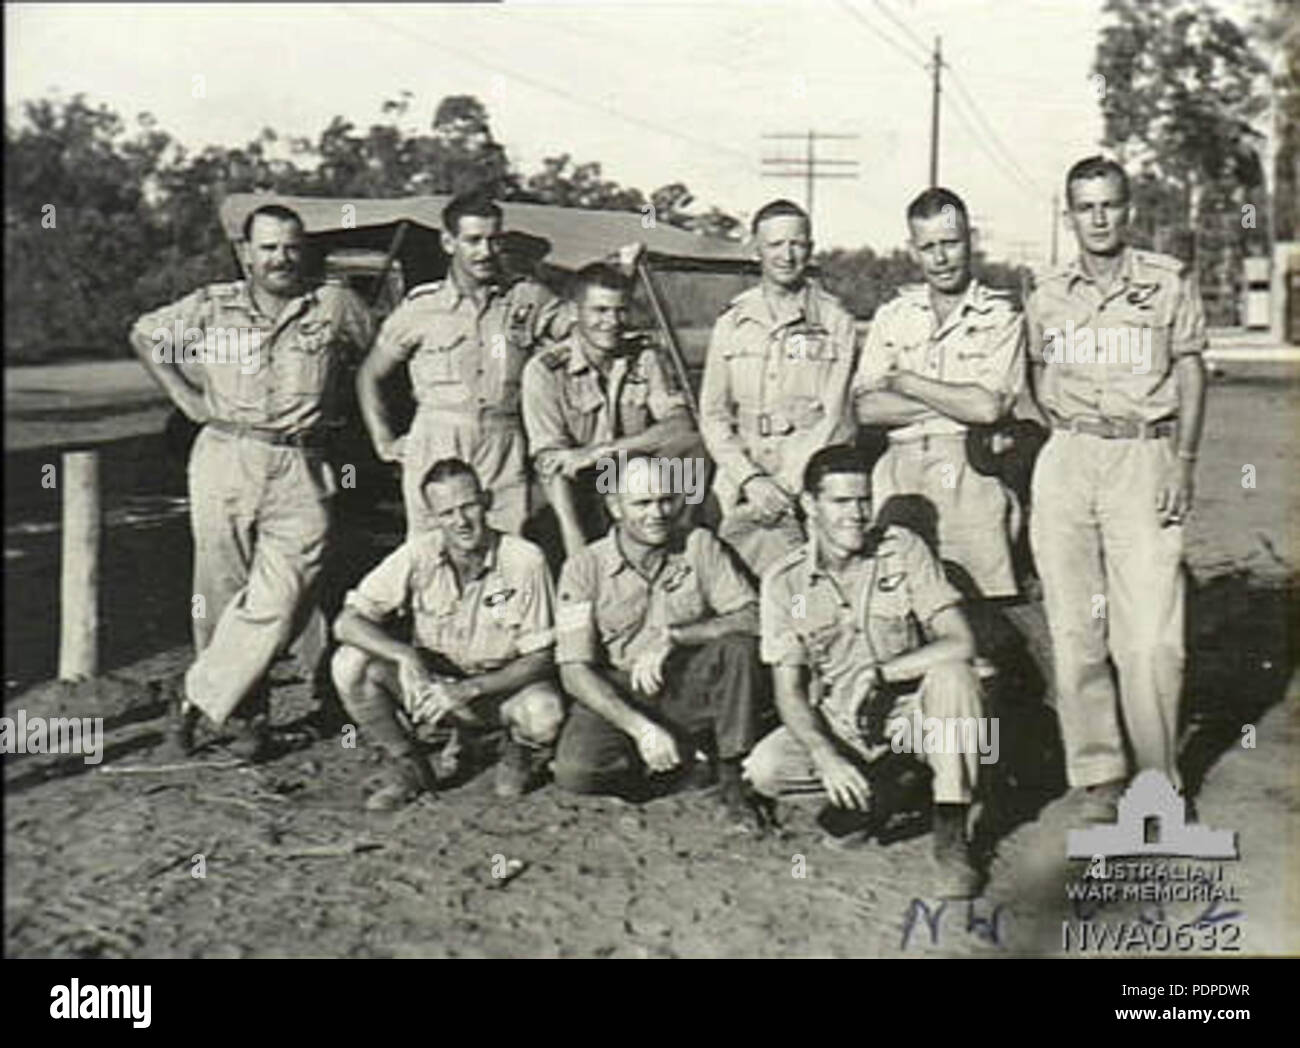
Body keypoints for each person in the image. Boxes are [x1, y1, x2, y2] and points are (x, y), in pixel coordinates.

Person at [129, 203, 375, 760]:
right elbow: (145, 335)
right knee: (221, 594)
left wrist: (348, 413)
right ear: (246, 253)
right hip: (227, 454)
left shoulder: (334, 306)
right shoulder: (213, 306)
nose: (280, 258)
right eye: (267, 248)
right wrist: (183, 396)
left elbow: (376, 355)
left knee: (283, 599)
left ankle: (192, 694)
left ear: (304, 250)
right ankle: (244, 719)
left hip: (303, 464)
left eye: (290, 246)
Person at [1025, 156, 1207, 819]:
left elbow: (1190, 371)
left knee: (1153, 637)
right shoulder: (1045, 292)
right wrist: (1069, 436)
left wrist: (1182, 459)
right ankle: (1099, 775)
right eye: (1085, 206)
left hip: (1144, 456)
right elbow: (1037, 378)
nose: (1098, 217)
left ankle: (1159, 777)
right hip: (1070, 455)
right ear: (1068, 214)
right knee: (1077, 628)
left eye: (1110, 204)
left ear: (1128, 210)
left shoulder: (1166, 282)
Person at [744, 445, 987, 898]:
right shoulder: (785, 581)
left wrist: (883, 673)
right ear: (810, 506)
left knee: (955, 675)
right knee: (766, 769)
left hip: (913, 714)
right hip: (843, 723)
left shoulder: (902, 549)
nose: (856, 514)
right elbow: (789, 692)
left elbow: (961, 641)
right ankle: (894, 785)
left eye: (863, 500)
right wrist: (825, 756)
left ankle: (952, 834)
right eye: (840, 502)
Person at [330, 459, 564, 809]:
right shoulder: (417, 553)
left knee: (545, 713)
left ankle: (515, 750)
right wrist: (404, 655)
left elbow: (542, 658)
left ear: (486, 501)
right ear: (433, 517)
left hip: (499, 690)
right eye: (447, 512)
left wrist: (469, 689)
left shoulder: (525, 559)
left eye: (468, 506)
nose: (461, 521)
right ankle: (408, 765)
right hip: (435, 686)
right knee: (349, 663)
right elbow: (346, 623)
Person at [551, 454, 768, 829]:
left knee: (738, 648)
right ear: (615, 506)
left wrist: (677, 636)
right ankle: (681, 764)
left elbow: (754, 617)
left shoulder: (699, 545)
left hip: (686, 683)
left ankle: (733, 778)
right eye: (642, 503)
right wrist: (641, 729)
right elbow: (573, 671)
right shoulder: (584, 567)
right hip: (621, 689)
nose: (658, 513)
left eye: (666, 500)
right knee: (576, 772)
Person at [356, 190, 569, 536]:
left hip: (503, 442)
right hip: (437, 440)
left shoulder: (528, 299)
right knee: (432, 551)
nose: (485, 252)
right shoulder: (421, 307)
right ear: (448, 242)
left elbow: (585, 334)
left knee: (505, 548)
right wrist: (384, 441)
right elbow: (370, 375)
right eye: (472, 240)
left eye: (493, 240)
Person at [853, 187, 1026, 599]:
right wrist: (955, 402)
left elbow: (986, 408)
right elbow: (868, 408)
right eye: (928, 247)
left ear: (972, 241)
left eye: (950, 243)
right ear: (913, 250)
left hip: (970, 473)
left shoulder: (1001, 316)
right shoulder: (892, 316)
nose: (941, 257)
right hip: (898, 476)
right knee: (895, 602)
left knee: (982, 610)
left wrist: (908, 383)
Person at [699, 199, 859, 577]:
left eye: (797, 244)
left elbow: (834, 415)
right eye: (775, 245)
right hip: (739, 478)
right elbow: (713, 413)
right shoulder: (732, 321)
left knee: (806, 585)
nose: (787, 256)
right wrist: (750, 479)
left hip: (805, 480)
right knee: (728, 577)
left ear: (810, 248)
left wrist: (786, 486)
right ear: (756, 251)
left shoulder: (835, 320)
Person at [521, 261, 697, 558]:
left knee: (694, 451)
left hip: (634, 481)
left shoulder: (644, 358)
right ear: (574, 313)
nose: (612, 321)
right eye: (600, 311)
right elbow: (550, 463)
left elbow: (680, 425)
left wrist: (602, 451)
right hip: (578, 491)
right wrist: (574, 542)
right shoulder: (546, 370)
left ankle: (682, 549)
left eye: (620, 310)